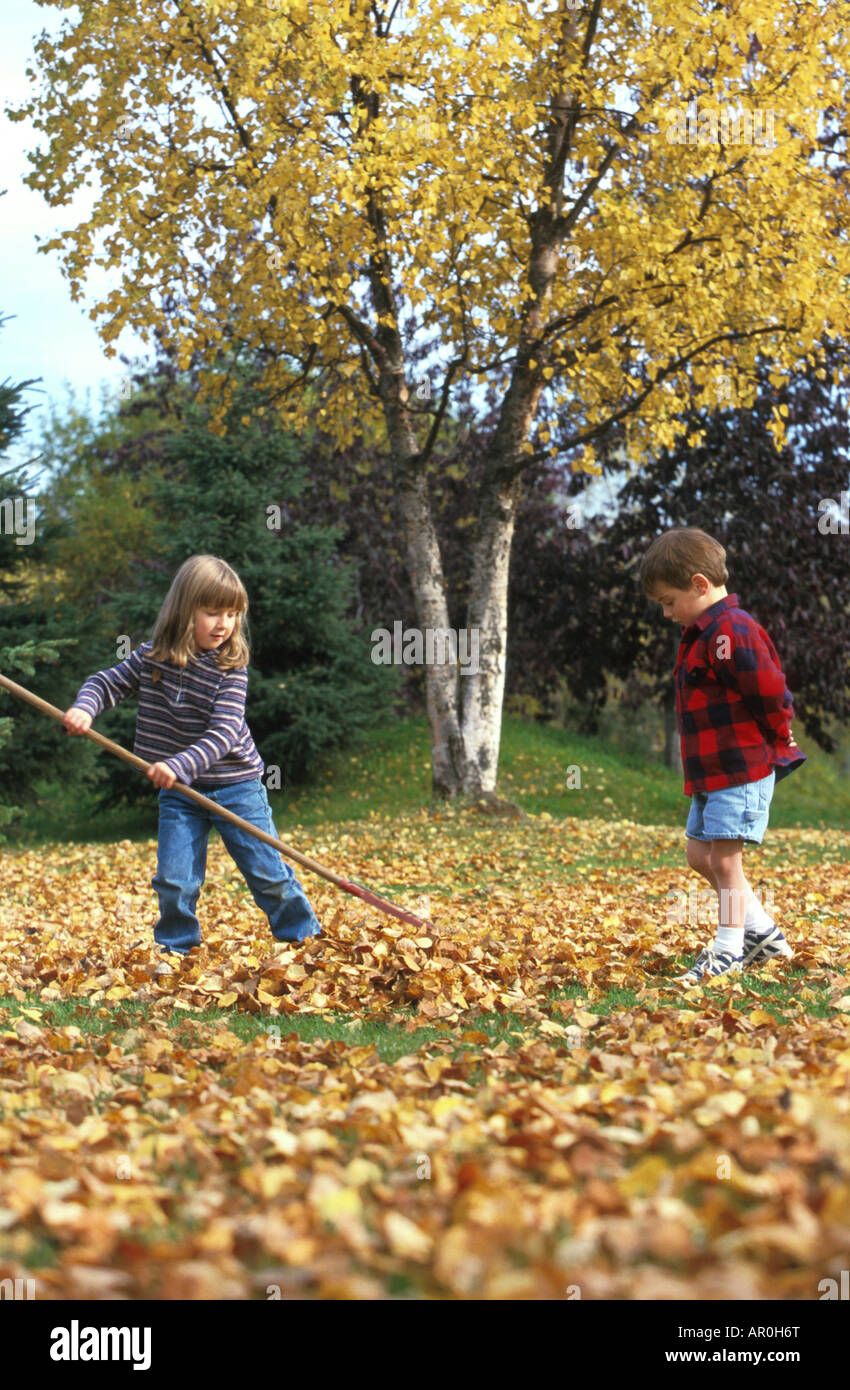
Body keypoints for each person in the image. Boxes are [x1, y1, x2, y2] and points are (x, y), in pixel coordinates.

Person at [62, 554, 321, 963]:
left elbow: (224, 733)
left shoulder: (231, 667)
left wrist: (177, 764)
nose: (224, 623)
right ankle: (176, 949)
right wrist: (84, 708)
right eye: (212, 612)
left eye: (232, 613)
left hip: (236, 786)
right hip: (180, 790)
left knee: (266, 872)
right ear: (184, 611)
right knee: (175, 879)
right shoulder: (151, 659)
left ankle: (302, 940)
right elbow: (105, 682)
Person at [639, 527, 804, 985]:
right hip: (710, 774)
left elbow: (773, 695)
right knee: (699, 855)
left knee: (726, 862)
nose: (668, 613)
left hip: (741, 768)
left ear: (699, 584)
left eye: (669, 601)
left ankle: (728, 952)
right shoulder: (698, 633)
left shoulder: (733, 632)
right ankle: (765, 935)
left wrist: (776, 741)